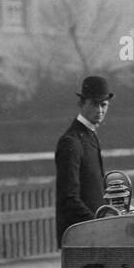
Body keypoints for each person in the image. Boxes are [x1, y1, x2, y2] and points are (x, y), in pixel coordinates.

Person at [55, 75, 112, 248]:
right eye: (94, 104)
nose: (100, 110)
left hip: (94, 234)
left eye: (104, 105)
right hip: (80, 234)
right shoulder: (71, 141)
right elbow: (68, 198)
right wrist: (97, 222)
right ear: (81, 104)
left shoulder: (90, 137)